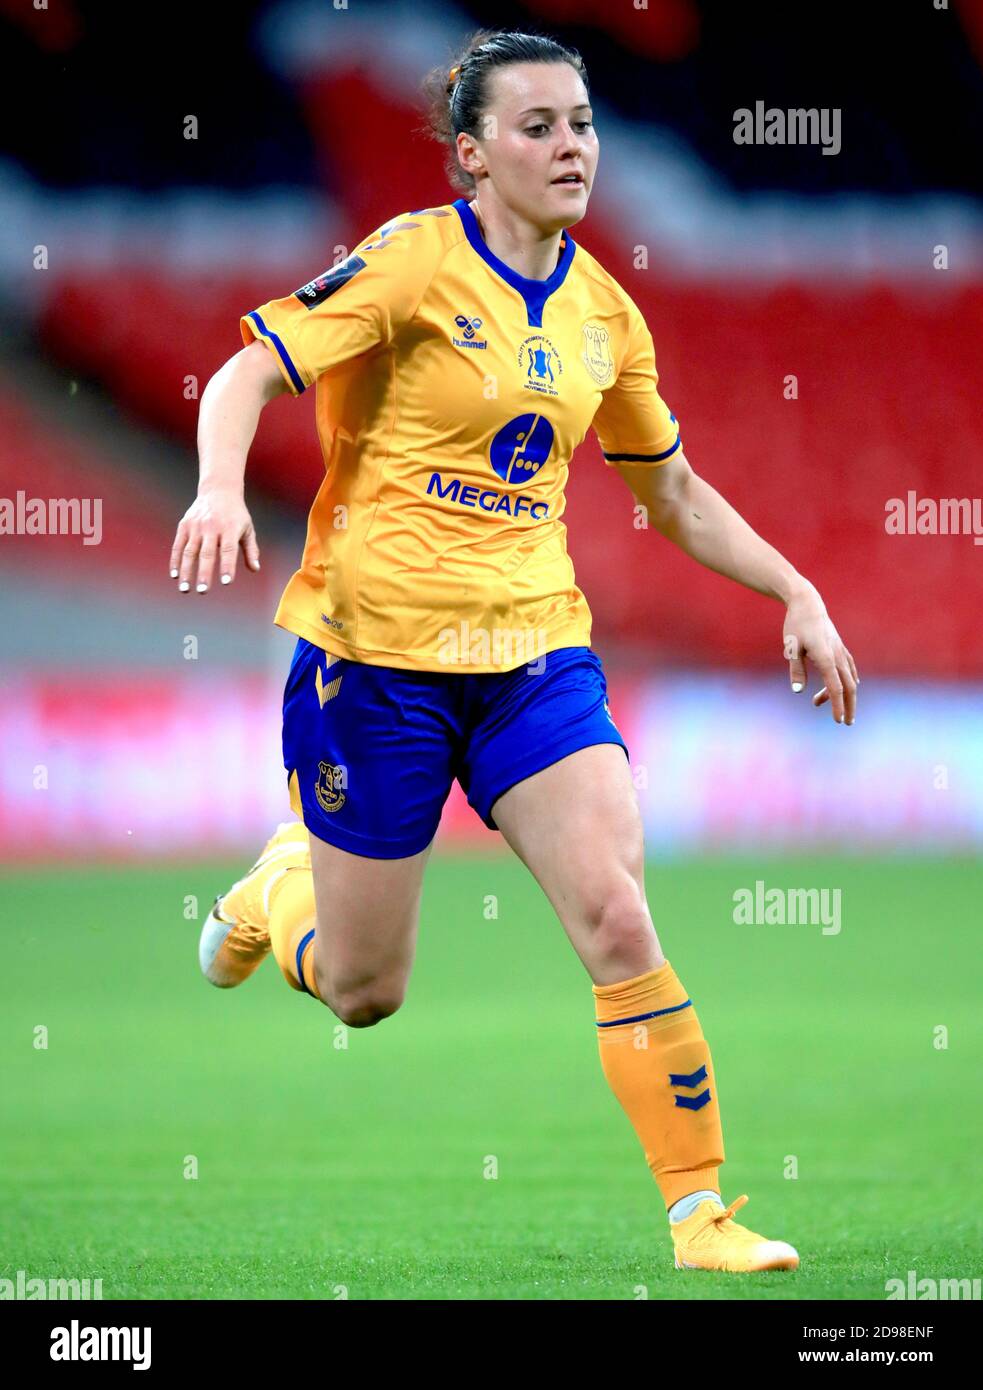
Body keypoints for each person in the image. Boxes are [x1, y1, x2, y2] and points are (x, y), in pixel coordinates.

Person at [169, 28, 858, 1274]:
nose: (570, 147)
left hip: (533, 657)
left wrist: (793, 586)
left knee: (615, 912)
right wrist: (221, 490)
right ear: (471, 157)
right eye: (536, 127)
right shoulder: (409, 261)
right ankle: (282, 889)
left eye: (582, 124)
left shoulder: (604, 313)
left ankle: (701, 1215)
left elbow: (677, 492)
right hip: (371, 663)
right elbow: (239, 378)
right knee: (365, 992)